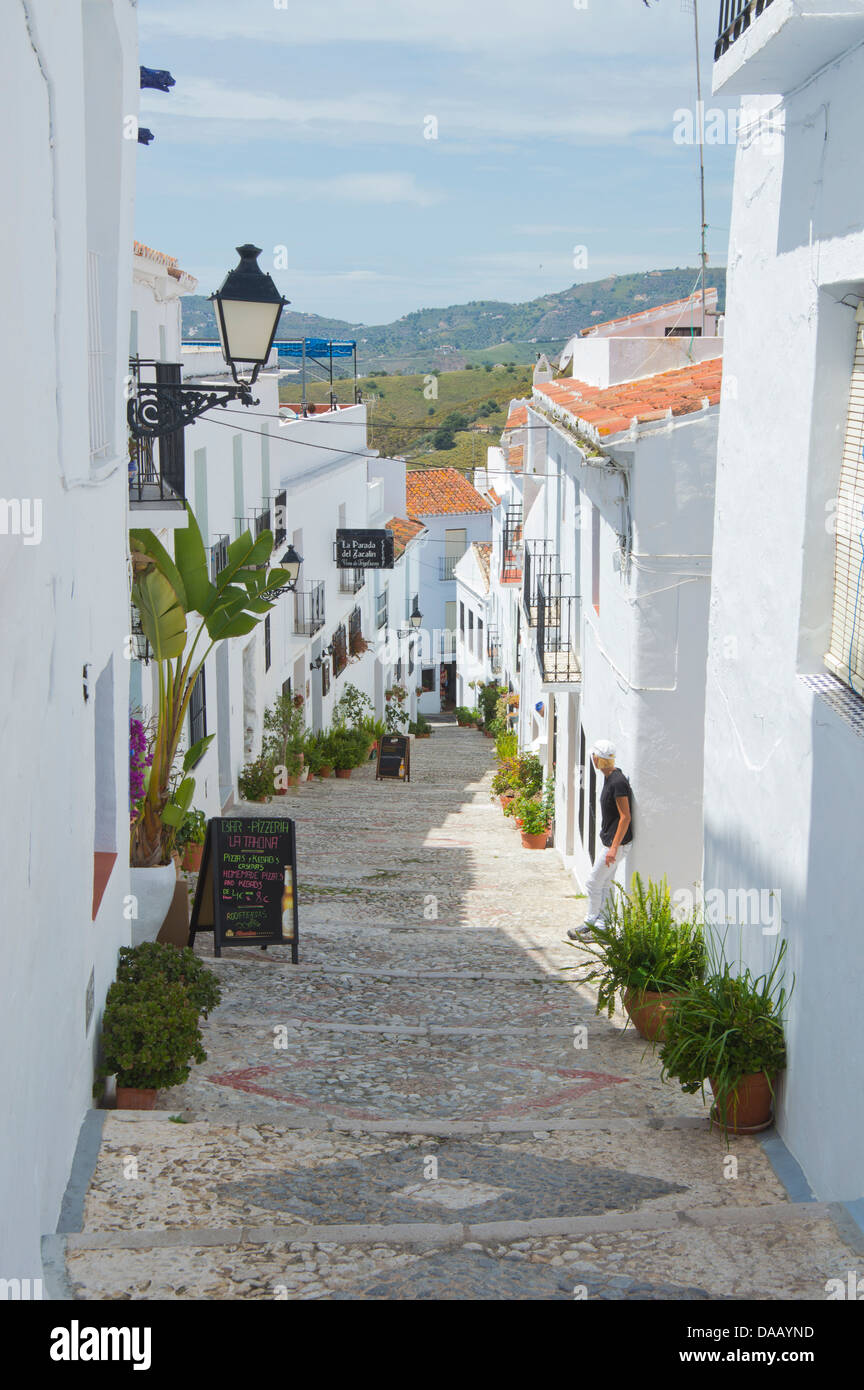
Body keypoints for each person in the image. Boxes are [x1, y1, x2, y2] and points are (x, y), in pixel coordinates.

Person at [568, 739, 633, 940]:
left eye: (593, 757)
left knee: (593, 882)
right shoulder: (610, 777)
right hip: (613, 842)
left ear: (597, 759)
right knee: (605, 883)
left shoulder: (617, 782)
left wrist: (613, 848)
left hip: (617, 844)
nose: (593, 760)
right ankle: (603, 926)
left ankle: (590, 923)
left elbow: (625, 816)